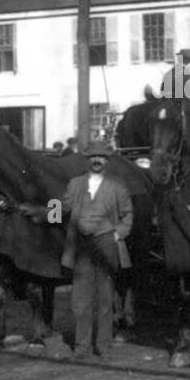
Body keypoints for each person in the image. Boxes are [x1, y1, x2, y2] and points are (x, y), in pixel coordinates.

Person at [61, 138, 133, 359]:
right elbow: (62, 208)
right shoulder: (75, 184)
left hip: (106, 244)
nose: (97, 160)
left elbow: (128, 215)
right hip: (81, 245)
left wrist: (117, 234)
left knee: (105, 298)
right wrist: (46, 212)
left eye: (101, 157)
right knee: (80, 301)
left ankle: (103, 345)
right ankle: (81, 346)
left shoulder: (117, 186)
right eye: (93, 157)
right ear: (87, 160)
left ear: (107, 160)